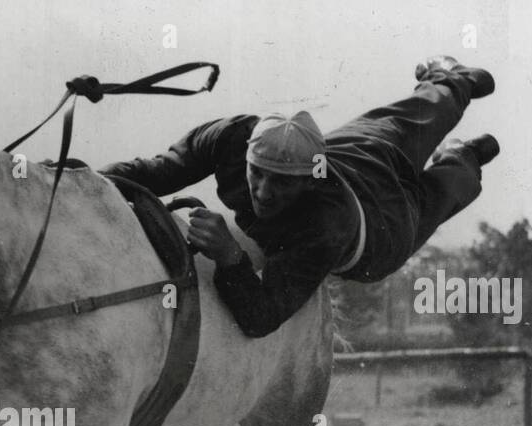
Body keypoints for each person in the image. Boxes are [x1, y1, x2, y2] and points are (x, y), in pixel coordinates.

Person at [100, 55, 500, 338]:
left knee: (440, 192)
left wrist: (231, 257)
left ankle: (460, 152)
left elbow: (262, 317)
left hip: (379, 231)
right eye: (258, 174)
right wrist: (77, 177)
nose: (265, 193)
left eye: (284, 182)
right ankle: (454, 96)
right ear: (248, 153)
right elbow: (153, 173)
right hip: (347, 158)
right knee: (399, 120)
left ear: (311, 177)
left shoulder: (325, 224)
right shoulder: (230, 137)